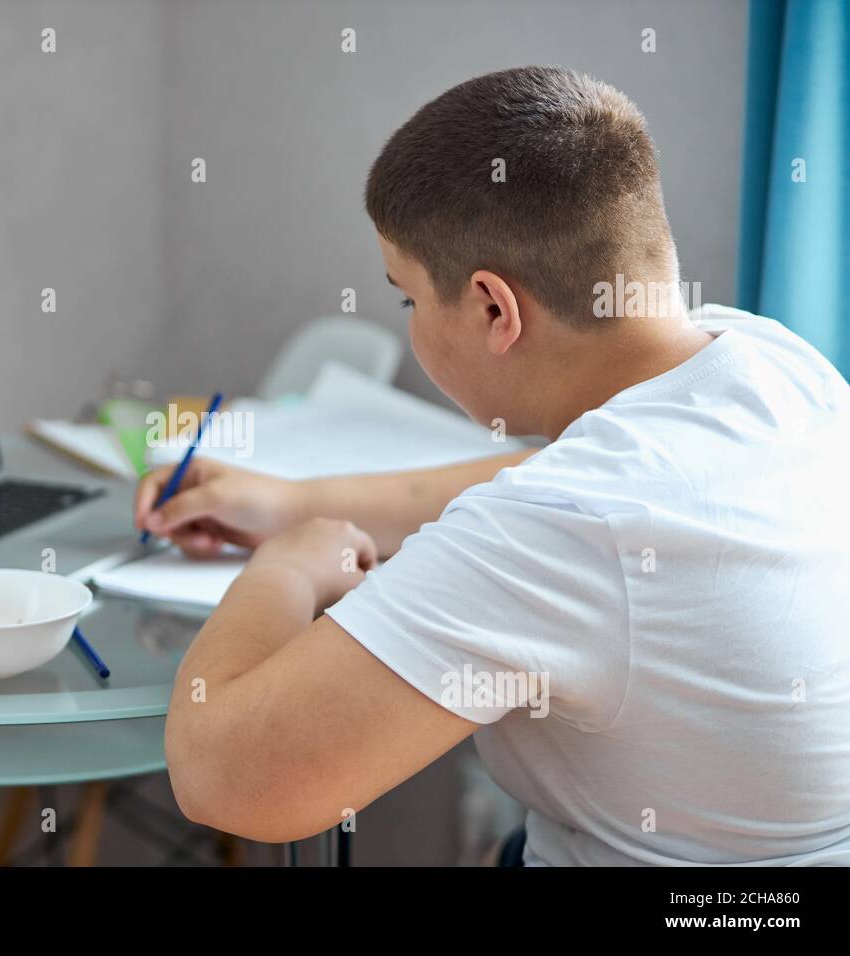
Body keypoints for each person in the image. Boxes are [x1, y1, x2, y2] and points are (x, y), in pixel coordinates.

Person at [140, 66, 850, 865]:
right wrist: (293, 503)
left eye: (407, 298)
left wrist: (285, 569)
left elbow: (223, 780)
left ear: (492, 308)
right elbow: (548, 488)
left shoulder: (565, 526)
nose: (409, 318)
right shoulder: (766, 361)